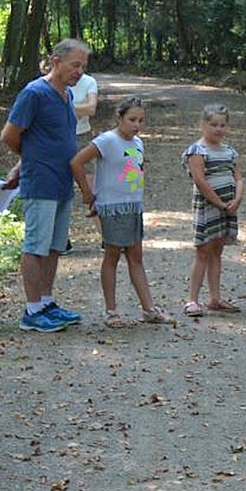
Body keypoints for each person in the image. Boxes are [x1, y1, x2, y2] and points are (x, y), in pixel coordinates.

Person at [1, 39, 89, 332]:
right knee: (36, 245)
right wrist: (28, 160)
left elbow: (51, 137)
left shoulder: (67, 95)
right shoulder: (34, 93)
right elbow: (9, 135)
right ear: (56, 61)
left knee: (54, 246)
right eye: (75, 65)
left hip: (63, 180)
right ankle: (32, 309)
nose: (79, 71)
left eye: (83, 67)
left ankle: (47, 302)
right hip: (41, 181)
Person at [71, 96, 172, 327]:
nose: (137, 125)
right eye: (132, 119)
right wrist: (87, 193)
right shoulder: (106, 141)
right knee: (112, 255)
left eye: (141, 120)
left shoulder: (138, 143)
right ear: (119, 118)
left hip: (132, 205)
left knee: (136, 257)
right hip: (112, 207)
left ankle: (149, 308)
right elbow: (76, 162)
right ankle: (111, 310)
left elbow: (135, 169)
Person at [183, 103, 244, 317]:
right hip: (208, 207)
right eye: (213, 124)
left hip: (228, 207)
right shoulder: (197, 151)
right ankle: (192, 300)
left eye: (222, 125)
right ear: (203, 125)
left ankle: (215, 298)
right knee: (203, 251)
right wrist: (218, 202)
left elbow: (238, 177)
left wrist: (237, 198)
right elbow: (200, 180)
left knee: (217, 250)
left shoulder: (229, 151)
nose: (218, 129)